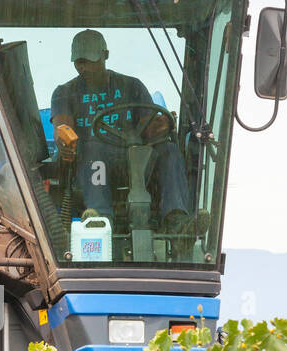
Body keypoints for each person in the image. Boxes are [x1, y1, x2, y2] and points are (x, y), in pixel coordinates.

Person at [50, 29, 191, 231]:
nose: (84, 67)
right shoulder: (64, 92)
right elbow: (62, 126)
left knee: (169, 150)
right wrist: (63, 139)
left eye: (90, 60)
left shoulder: (131, 86)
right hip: (88, 164)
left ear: (105, 55)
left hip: (135, 163)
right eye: (79, 61)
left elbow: (150, 127)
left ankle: (176, 220)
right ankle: (100, 219)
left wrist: (163, 124)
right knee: (92, 148)